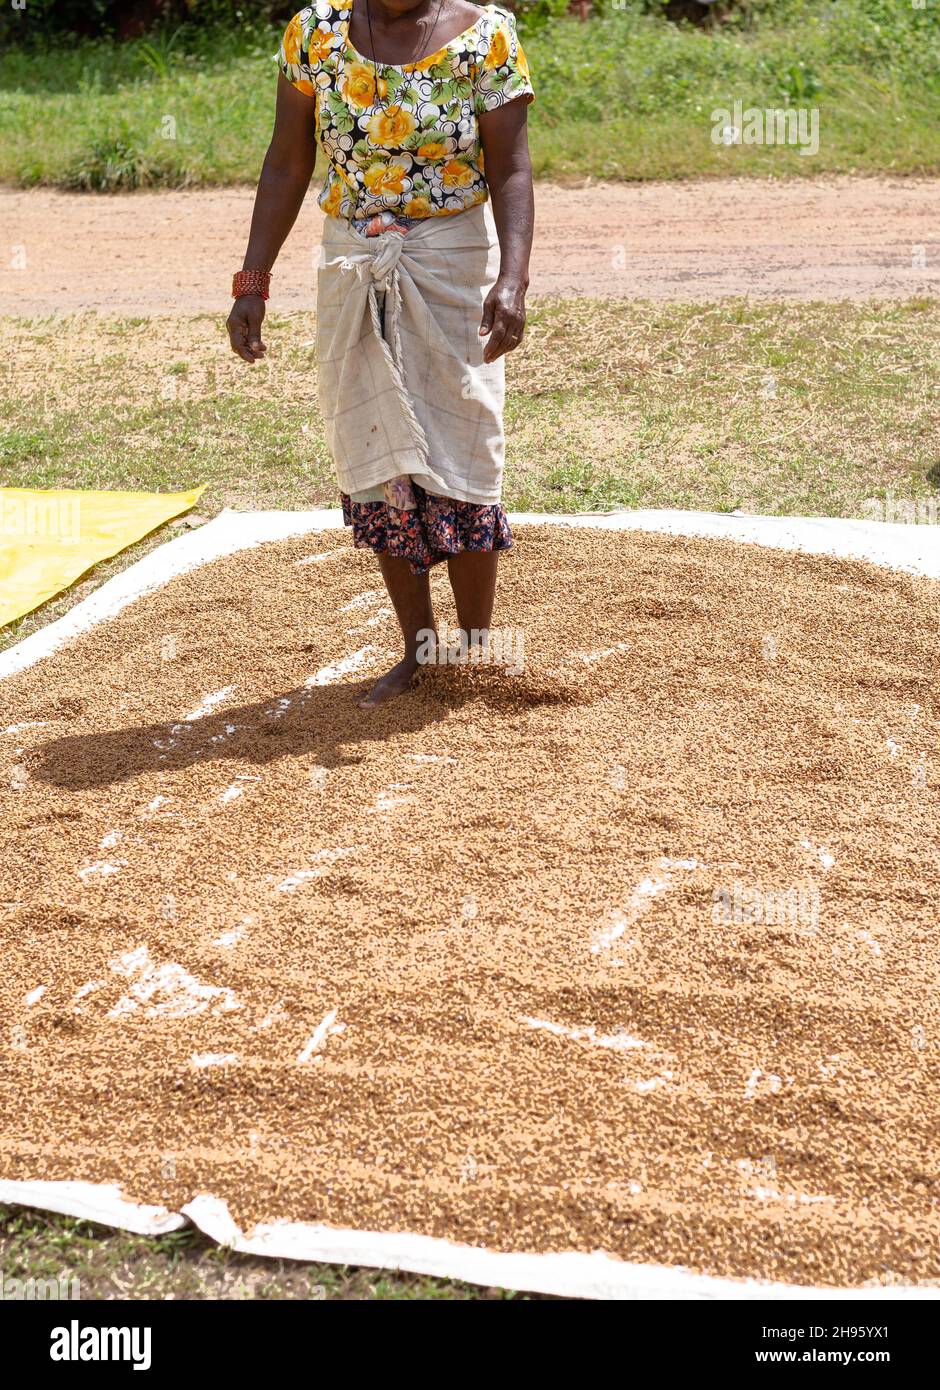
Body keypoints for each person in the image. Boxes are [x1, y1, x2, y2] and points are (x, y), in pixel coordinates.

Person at [227, 0, 535, 706]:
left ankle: (478, 651)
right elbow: (286, 161)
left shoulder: (485, 35)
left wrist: (513, 279)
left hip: (453, 261)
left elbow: (510, 165)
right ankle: (418, 651)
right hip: (353, 261)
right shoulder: (317, 32)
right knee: (379, 449)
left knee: (464, 443)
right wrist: (252, 281)